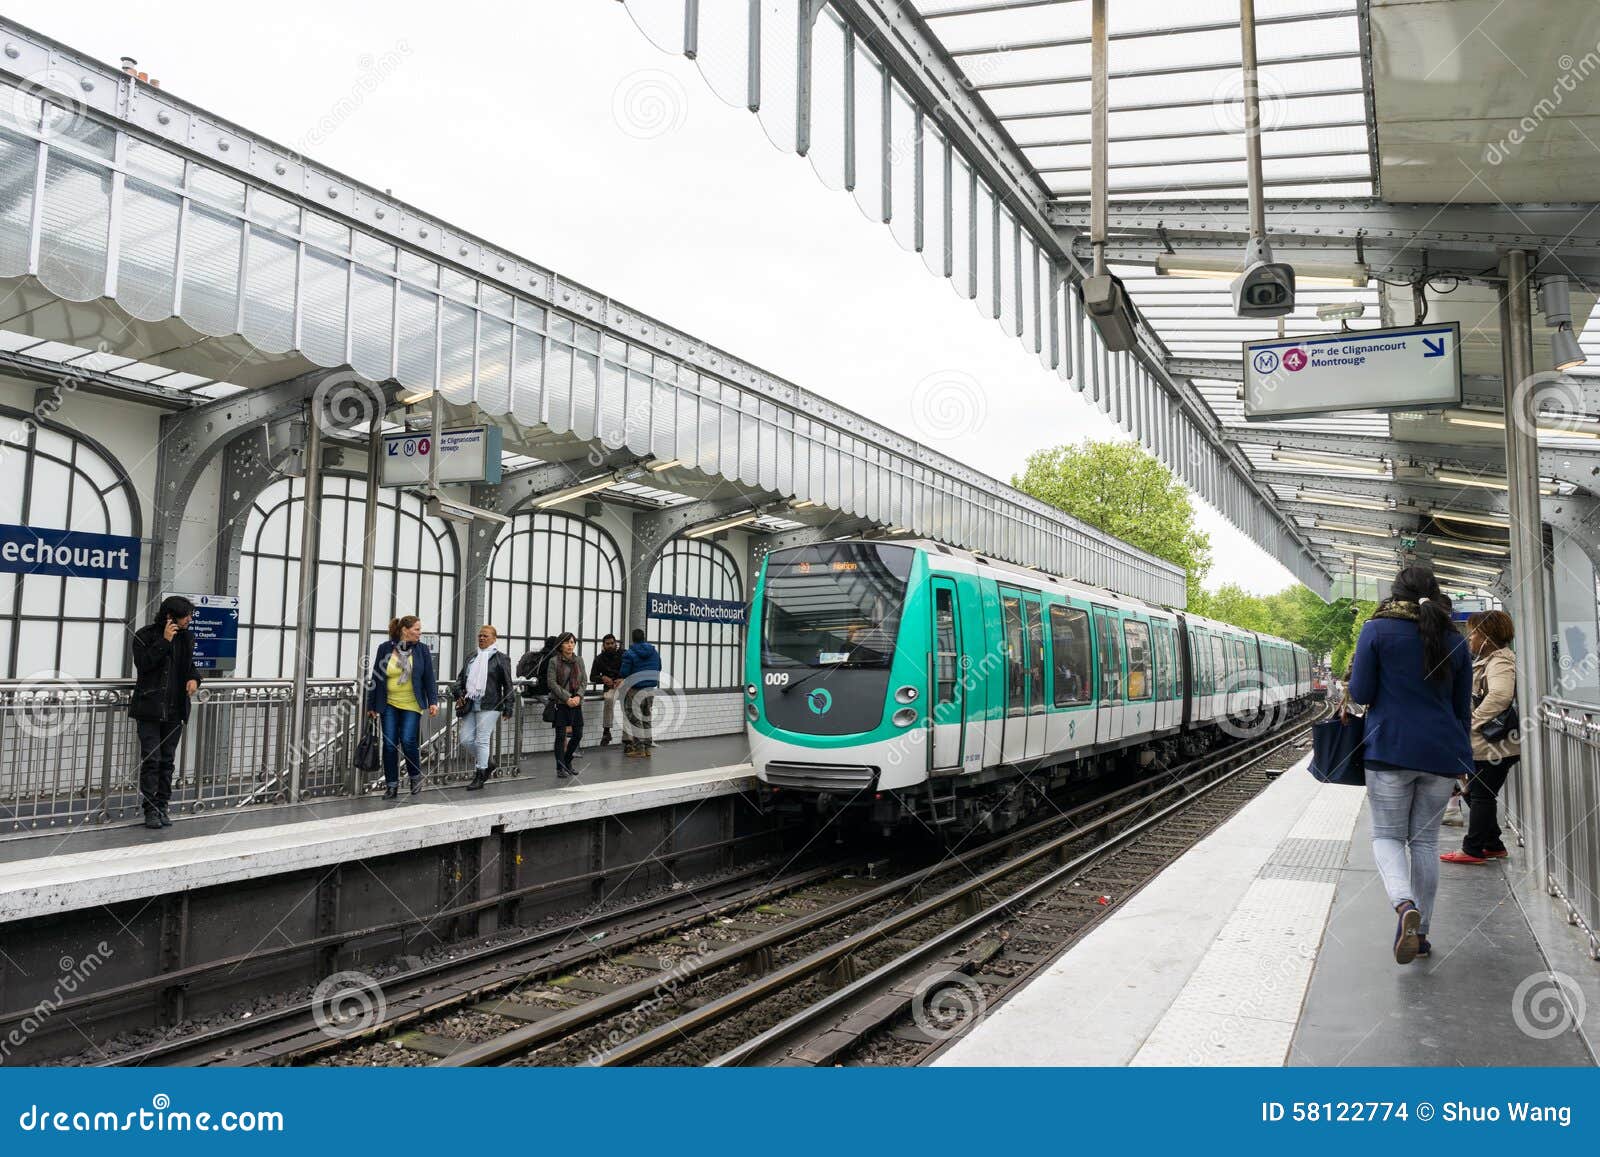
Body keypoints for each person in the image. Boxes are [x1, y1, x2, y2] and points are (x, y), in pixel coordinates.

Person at [1346, 566, 1473, 965]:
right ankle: (1422, 935)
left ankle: (1404, 908)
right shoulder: (1454, 637)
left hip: (1390, 749)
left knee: (1386, 836)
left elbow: (1362, 692)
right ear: (1435, 594)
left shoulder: (1377, 630)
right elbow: (1460, 707)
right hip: (1440, 753)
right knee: (1424, 843)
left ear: (1394, 592)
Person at [1442, 610, 1520, 865]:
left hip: (1494, 746)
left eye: (1474, 633)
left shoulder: (1500, 662)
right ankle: (1493, 843)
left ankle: (1473, 849)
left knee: (1480, 795)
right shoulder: (1488, 661)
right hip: (1487, 745)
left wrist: (1473, 721)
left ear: (1487, 636)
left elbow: (1500, 695)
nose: (1470, 638)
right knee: (1472, 791)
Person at [129, 595, 202, 830]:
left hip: (174, 708)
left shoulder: (187, 638)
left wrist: (194, 679)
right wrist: (164, 641)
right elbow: (144, 665)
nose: (190, 619)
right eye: (186, 615)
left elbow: (189, 666)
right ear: (171, 616)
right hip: (149, 708)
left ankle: (162, 806)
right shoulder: (145, 635)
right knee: (152, 759)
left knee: (167, 761)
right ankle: (150, 809)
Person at [366, 615, 439, 799]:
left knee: (408, 741)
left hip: (412, 703)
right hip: (388, 703)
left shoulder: (421, 650)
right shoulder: (385, 649)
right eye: (416, 629)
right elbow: (375, 677)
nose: (419, 633)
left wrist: (433, 701)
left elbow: (429, 677)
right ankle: (392, 786)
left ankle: (415, 777)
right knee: (390, 744)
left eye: (419, 630)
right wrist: (371, 704)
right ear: (405, 630)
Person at [456, 624, 514, 792]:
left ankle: (480, 774)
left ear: (494, 639)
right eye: (480, 636)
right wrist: (459, 693)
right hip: (470, 703)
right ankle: (488, 763)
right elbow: (461, 680)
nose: (482, 638)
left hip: (490, 704)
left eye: (486, 636)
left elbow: (508, 684)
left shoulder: (501, 658)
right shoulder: (472, 657)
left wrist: (508, 706)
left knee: (482, 739)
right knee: (465, 738)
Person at [619, 627, 663, 758]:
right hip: (650, 689)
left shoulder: (629, 653)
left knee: (635, 719)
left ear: (633, 639)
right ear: (644, 637)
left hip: (635, 690)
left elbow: (624, 672)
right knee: (646, 718)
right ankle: (648, 749)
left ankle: (639, 749)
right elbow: (659, 667)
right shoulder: (654, 652)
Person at [547, 632, 586, 779]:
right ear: (560, 645)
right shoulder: (554, 661)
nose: (570, 645)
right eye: (566, 642)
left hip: (576, 703)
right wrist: (567, 697)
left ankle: (568, 760)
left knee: (578, 734)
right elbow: (551, 683)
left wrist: (578, 696)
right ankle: (560, 767)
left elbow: (584, 681)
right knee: (560, 736)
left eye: (572, 642)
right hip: (561, 703)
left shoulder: (579, 660)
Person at [590, 633, 623, 745]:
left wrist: (623, 678)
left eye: (612, 643)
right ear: (603, 645)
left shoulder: (624, 654)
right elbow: (592, 676)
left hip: (625, 684)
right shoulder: (599, 659)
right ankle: (606, 732)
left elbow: (633, 668)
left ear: (616, 644)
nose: (610, 645)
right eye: (607, 644)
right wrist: (602, 678)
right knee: (608, 700)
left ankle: (629, 737)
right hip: (610, 687)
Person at [517, 635, 558, 701]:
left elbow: (519, 672)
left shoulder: (537, 655)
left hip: (530, 690)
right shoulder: (551, 657)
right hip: (544, 692)